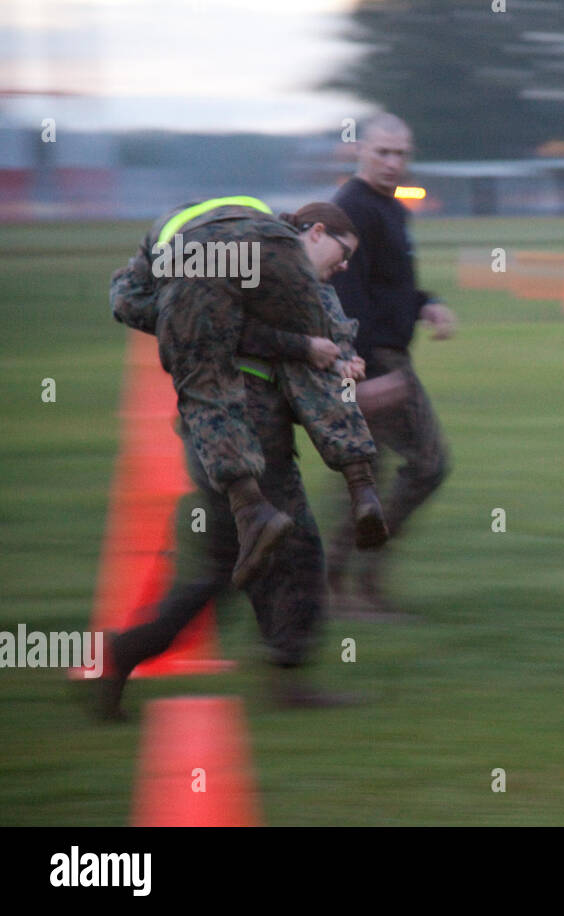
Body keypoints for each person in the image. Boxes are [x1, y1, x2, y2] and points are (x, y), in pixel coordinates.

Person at [109, 198, 388, 589]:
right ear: (317, 232)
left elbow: (127, 300)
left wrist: (184, 327)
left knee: (205, 384)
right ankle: (362, 487)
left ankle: (252, 509)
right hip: (210, 255)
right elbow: (322, 316)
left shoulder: (164, 250)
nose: (345, 267)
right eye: (345, 255)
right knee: (314, 358)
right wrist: (333, 353)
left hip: (184, 258)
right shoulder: (281, 240)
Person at [96, 333, 358, 717]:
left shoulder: (217, 281)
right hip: (243, 443)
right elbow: (248, 328)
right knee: (296, 553)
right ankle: (290, 679)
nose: (344, 267)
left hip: (219, 437)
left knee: (222, 571)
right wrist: (308, 351)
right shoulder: (244, 282)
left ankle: (126, 652)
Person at [328, 114, 456, 613]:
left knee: (364, 475)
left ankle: (339, 582)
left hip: (383, 353)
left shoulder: (392, 209)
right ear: (359, 149)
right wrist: (366, 372)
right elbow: (344, 295)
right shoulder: (351, 209)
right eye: (383, 151)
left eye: (401, 153)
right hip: (373, 359)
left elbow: (390, 287)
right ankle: (358, 577)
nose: (393, 162)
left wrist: (427, 302)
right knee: (428, 464)